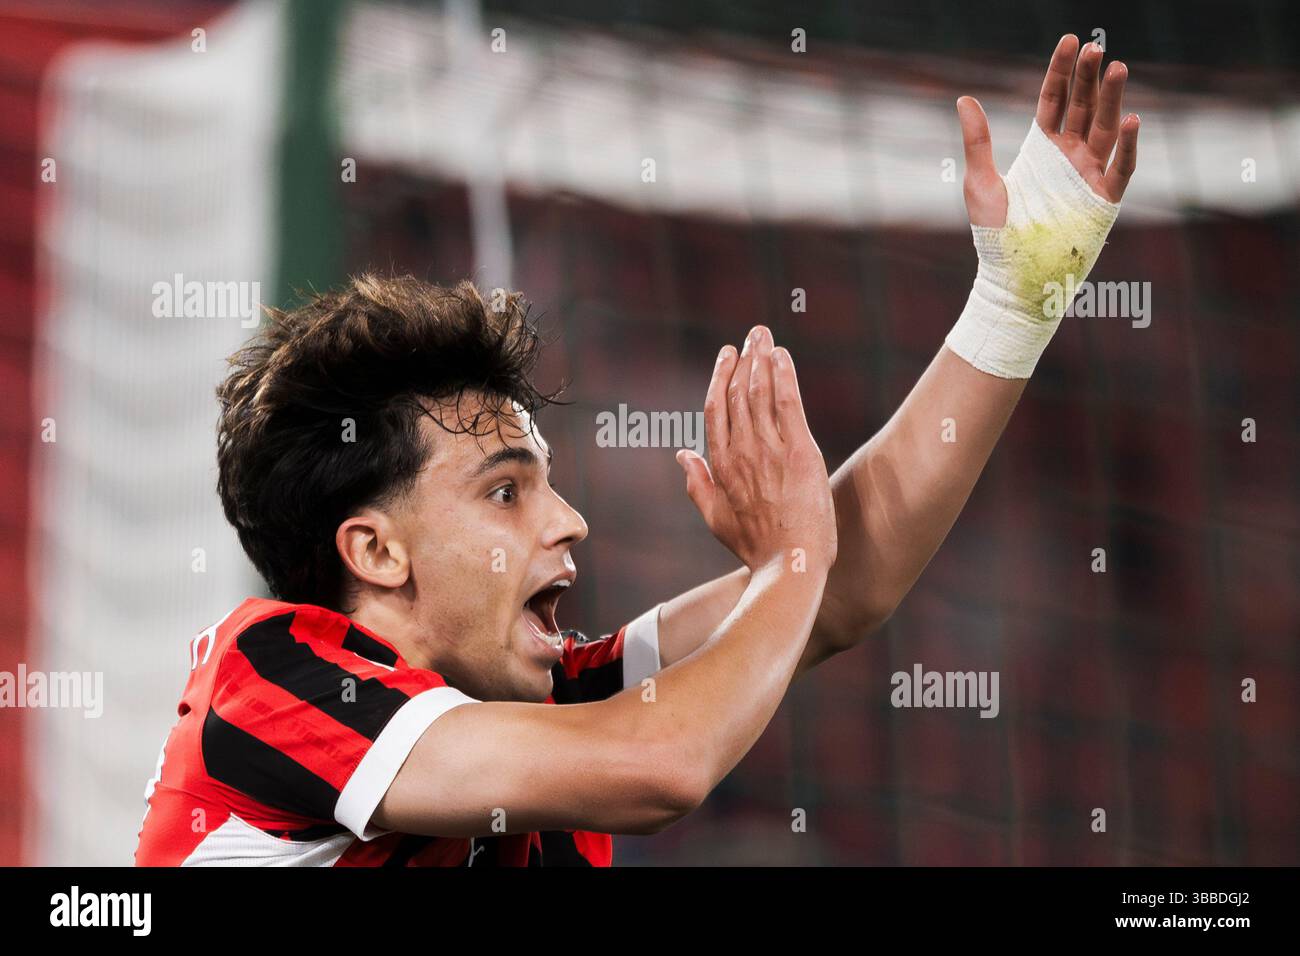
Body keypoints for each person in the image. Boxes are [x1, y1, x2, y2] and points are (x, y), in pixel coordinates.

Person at [135, 35, 1138, 866]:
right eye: (503, 491)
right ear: (375, 550)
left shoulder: (542, 715)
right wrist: (788, 554)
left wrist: (1012, 305)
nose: (569, 521)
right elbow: (663, 762)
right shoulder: (267, 675)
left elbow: (838, 586)